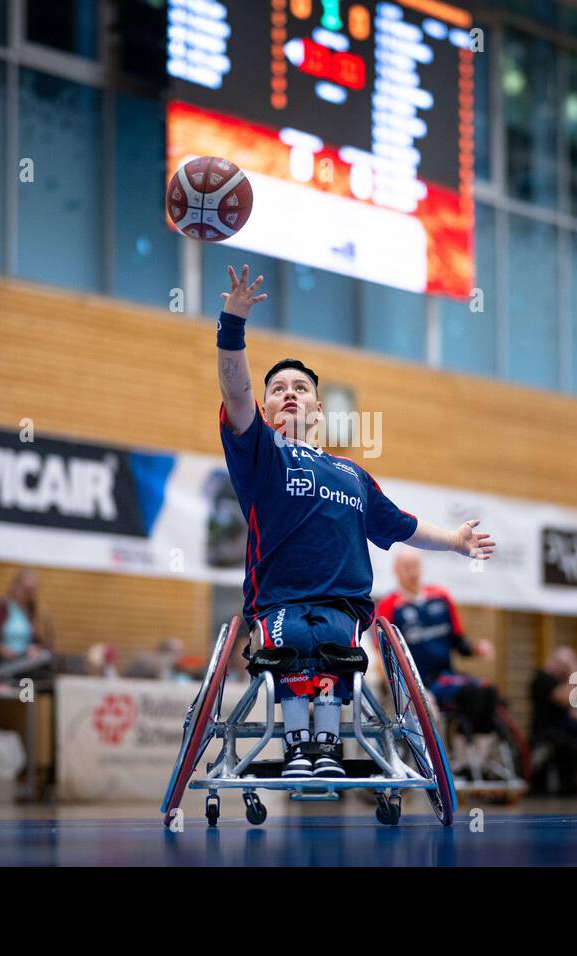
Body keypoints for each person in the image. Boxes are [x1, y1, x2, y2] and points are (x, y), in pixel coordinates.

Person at [215, 265, 496, 779]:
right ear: (268, 407)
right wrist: (232, 323)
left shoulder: (352, 474)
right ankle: (300, 747)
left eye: (301, 387)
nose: (290, 393)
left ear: (319, 409)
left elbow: (402, 525)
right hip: (279, 599)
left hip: (344, 604)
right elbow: (236, 389)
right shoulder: (260, 453)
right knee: (296, 647)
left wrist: (455, 540)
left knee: (333, 653)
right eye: (278, 389)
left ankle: (325, 747)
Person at [376, 551, 496, 732]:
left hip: (445, 674)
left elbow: (459, 643)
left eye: (415, 566)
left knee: (488, 691)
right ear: (396, 571)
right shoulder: (390, 605)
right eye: (406, 568)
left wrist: (477, 648)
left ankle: (475, 752)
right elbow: (382, 652)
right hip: (416, 682)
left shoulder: (441, 597)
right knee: (471, 694)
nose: (412, 572)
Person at [529, 646, 577, 794]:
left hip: (562, 728)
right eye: (565, 666)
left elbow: (570, 710)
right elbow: (564, 698)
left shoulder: (558, 681)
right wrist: (576, 672)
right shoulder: (542, 678)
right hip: (547, 731)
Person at [0, 568, 53, 668]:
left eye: (31, 590)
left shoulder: (36, 611)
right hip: (0, 665)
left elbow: (46, 643)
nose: (27, 593)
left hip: (26, 664)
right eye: (25, 588)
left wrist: (37, 648)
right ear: (15, 585)